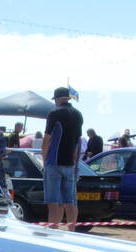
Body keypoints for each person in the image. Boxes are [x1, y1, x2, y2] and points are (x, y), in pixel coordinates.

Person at [41, 87, 83, 230]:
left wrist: (44, 159)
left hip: (54, 162)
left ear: (58, 99)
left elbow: (46, 139)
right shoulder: (78, 115)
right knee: (70, 202)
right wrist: (75, 162)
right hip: (70, 164)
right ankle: (72, 232)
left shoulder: (54, 113)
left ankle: (53, 233)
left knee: (53, 203)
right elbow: (78, 142)